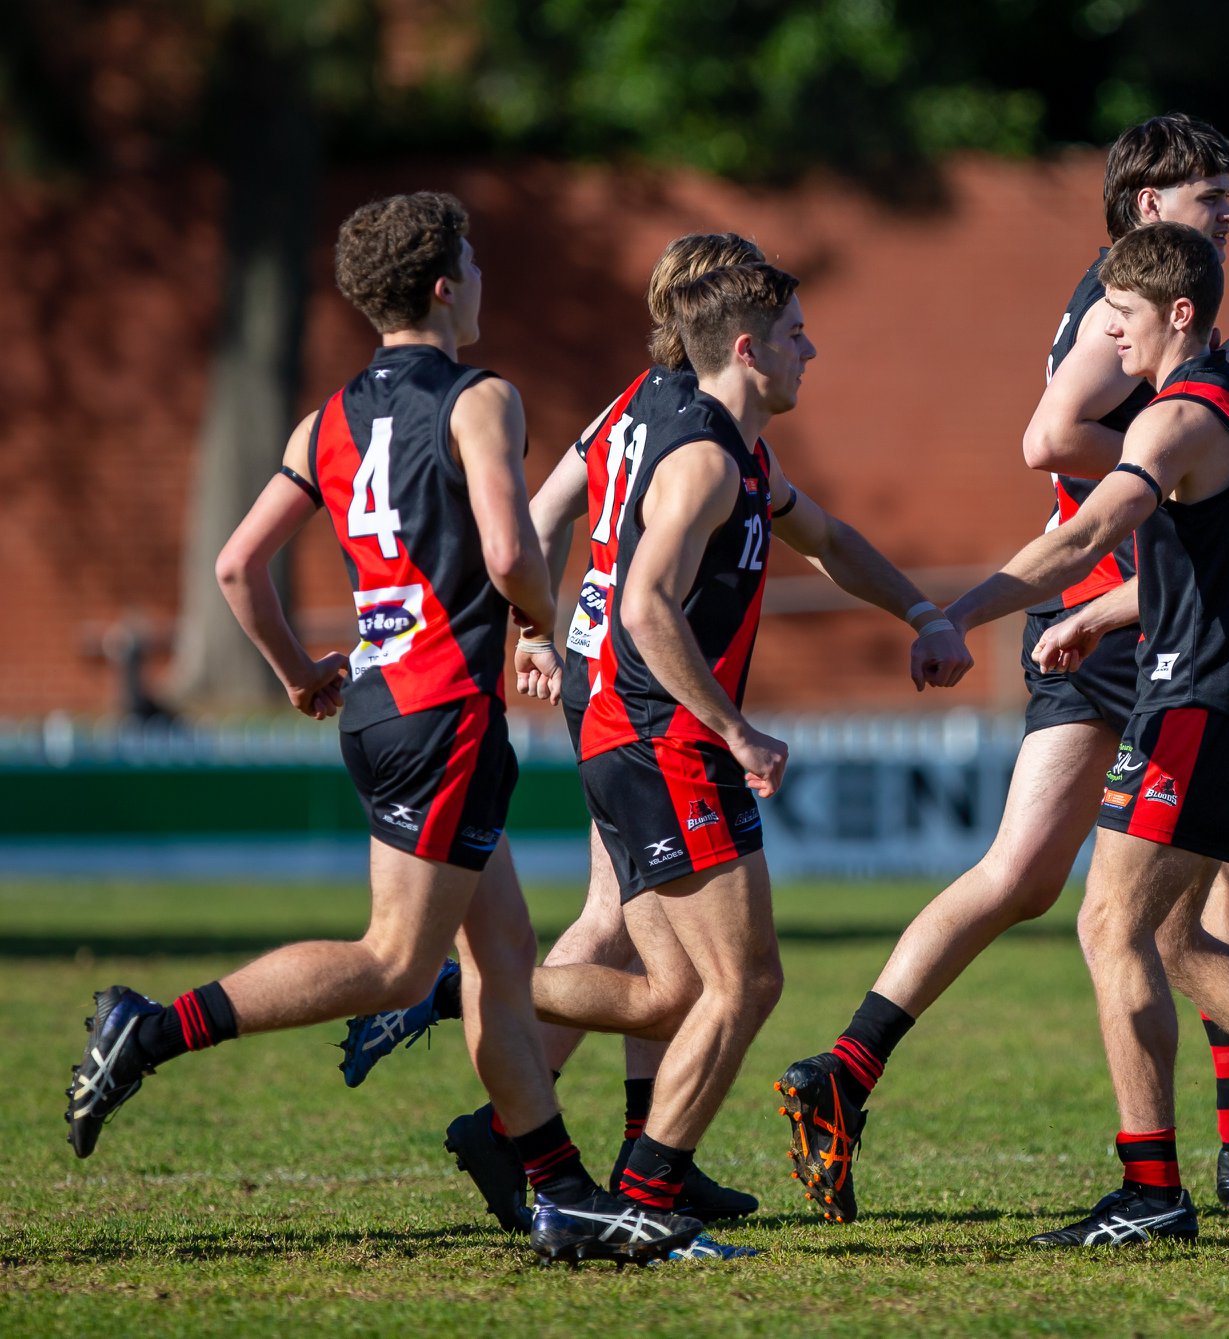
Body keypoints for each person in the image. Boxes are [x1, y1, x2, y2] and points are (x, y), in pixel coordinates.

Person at [62, 192, 702, 1266]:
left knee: (502, 954)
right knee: (398, 963)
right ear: (444, 286)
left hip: (377, 707)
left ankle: (559, 1191)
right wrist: (542, 627)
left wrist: (298, 674)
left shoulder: (326, 421)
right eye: (473, 262)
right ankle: (152, 1025)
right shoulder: (480, 398)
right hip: (444, 715)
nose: (483, 278)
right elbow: (510, 553)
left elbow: (237, 565)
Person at [776, 112, 1229, 1228]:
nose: (1227, 210)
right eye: (1208, 195)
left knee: (1046, 875)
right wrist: (1177, 465)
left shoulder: (1149, 311)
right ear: (1146, 206)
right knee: (1195, 887)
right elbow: (1051, 435)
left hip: (1115, 613)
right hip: (1126, 624)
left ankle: (847, 1067)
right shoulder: (1126, 310)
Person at [938, 221, 1229, 1246]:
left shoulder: (1176, 419)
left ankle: (1163, 1185)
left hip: (1198, 698)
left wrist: (958, 614)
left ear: (1179, 313)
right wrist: (1099, 618)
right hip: (1228, 690)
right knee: (1168, 935)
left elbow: (1083, 533)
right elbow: (1215, 564)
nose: (1109, 333)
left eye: (1122, 315)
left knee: (1112, 927)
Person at [333, 234, 773, 1240]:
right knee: (650, 945)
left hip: (606, 682)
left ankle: (590, 1141)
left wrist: (551, 629)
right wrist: (547, 626)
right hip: (640, 695)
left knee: (636, 933)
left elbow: (549, 511)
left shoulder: (632, 406)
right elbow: (537, 526)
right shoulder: (694, 421)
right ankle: (468, 1019)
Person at [526, 260, 971, 1252]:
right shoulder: (704, 461)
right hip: (662, 742)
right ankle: (644, 1201)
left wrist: (924, 611)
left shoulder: (745, 456)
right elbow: (644, 606)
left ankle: (467, 993)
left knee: (678, 991)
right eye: (796, 332)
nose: (811, 348)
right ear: (746, 347)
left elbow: (831, 541)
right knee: (747, 981)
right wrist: (732, 728)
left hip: (642, 737)